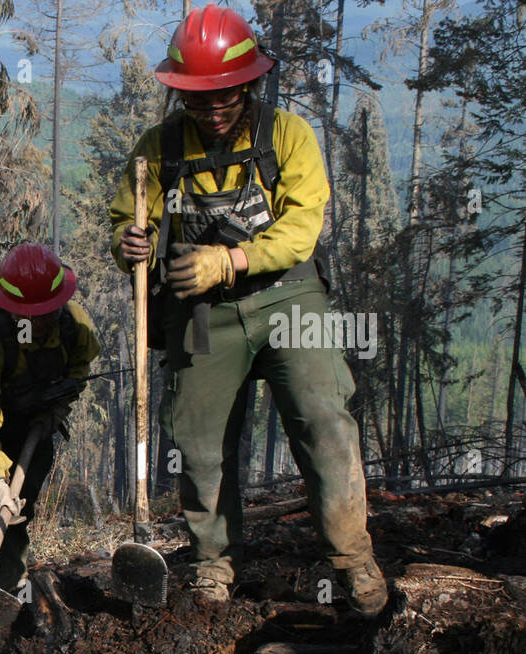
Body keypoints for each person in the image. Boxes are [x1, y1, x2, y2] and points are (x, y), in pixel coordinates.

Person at [108, 4, 387, 615]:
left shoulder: (287, 136)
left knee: (321, 413)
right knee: (199, 440)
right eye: (199, 100)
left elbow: (300, 232)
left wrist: (227, 261)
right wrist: (128, 242)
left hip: (288, 294)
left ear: (250, 85)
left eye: (225, 98)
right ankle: (214, 564)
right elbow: (127, 217)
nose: (212, 111)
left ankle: (351, 559)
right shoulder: (156, 150)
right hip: (203, 314)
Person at [0, 243, 99, 594]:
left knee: (17, 512)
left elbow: (79, 367)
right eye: (31, 315)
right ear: (11, 308)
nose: (40, 322)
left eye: (48, 312)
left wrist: (59, 406)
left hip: (32, 427)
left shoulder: (74, 324)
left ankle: (11, 588)